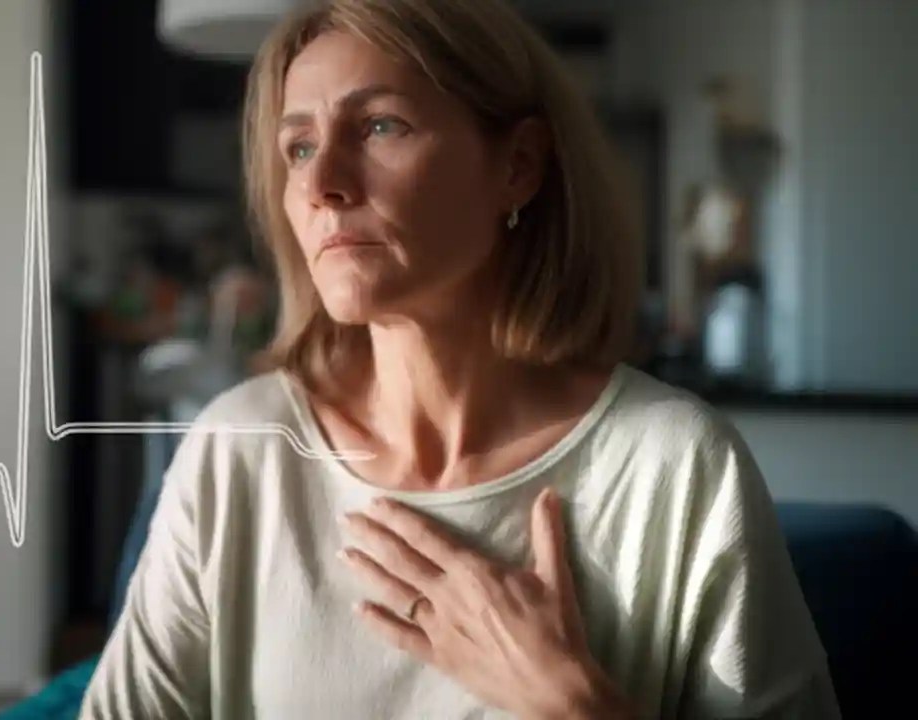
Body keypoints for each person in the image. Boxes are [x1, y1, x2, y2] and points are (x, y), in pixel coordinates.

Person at [80, 0, 839, 717]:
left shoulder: (674, 467)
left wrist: (577, 707)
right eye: (299, 146)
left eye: (380, 126)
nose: (319, 185)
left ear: (519, 166)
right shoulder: (237, 449)